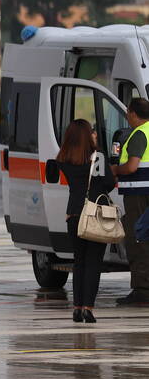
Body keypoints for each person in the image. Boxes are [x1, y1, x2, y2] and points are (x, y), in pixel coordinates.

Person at [51, 119, 116, 323]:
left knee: (78, 262)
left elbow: (51, 173)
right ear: (87, 136)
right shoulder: (98, 158)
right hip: (94, 214)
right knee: (93, 263)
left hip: (73, 215)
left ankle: (77, 307)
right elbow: (108, 184)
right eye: (92, 132)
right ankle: (88, 307)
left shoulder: (64, 158)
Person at [113, 97, 149, 305]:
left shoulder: (138, 135)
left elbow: (132, 167)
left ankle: (142, 290)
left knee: (138, 239)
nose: (127, 116)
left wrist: (115, 170)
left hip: (138, 195)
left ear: (134, 114)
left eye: (128, 113)